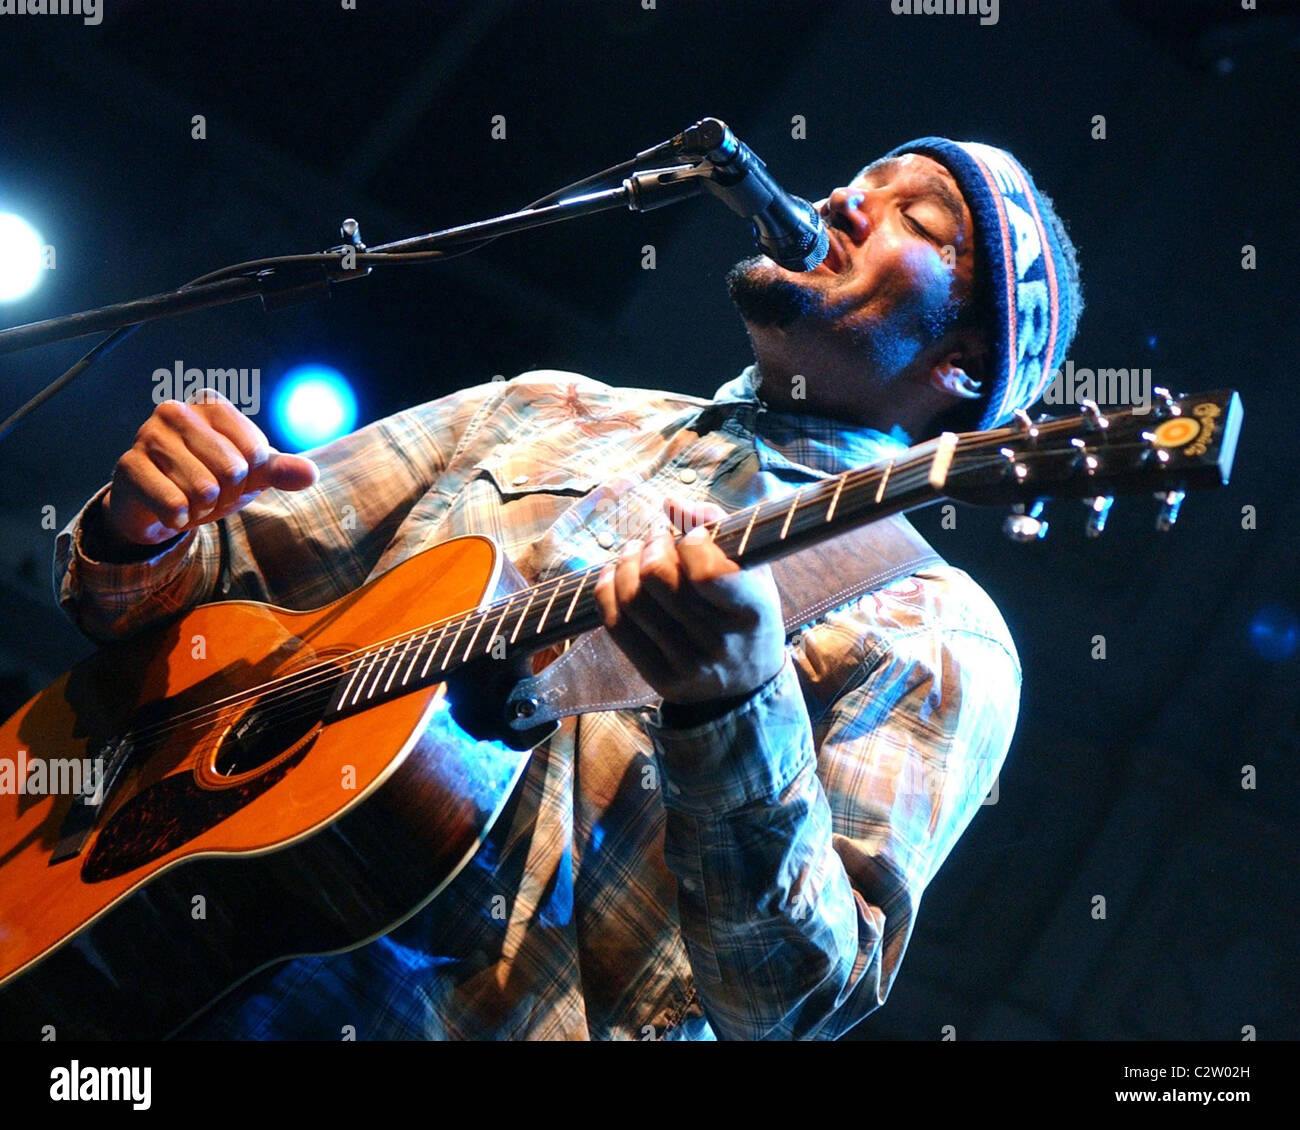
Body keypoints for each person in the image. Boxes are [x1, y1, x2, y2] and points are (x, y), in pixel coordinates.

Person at [55, 136, 1082, 1040]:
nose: (846, 201)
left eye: (917, 217)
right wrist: (139, 530)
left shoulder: (935, 628)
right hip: (116, 951)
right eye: (860, 178)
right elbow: (194, 604)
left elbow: (788, 999)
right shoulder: (547, 405)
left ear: (962, 366)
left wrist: (733, 702)